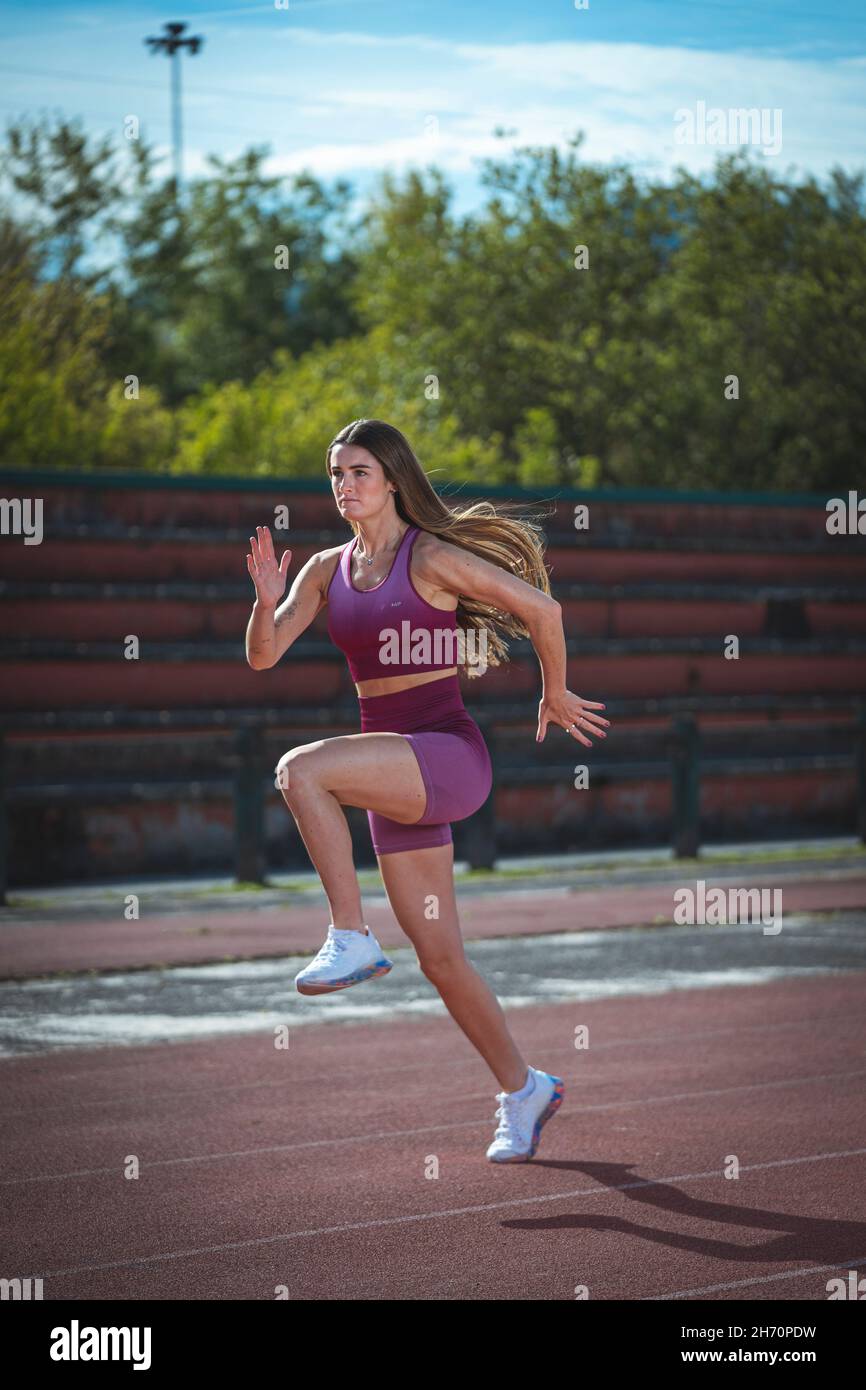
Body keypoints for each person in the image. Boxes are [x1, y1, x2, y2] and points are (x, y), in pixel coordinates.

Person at [245, 419, 609, 1162]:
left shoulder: (432, 556)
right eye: (336, 474)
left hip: (444, 754)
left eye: (359, 474)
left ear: (392, 479)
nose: (345, 486)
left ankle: (349, 935)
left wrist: (555, 692)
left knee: (300, 769)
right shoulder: (324, 568)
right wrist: (266, 596)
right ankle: (524, 1089)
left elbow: (544, 611)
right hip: (394, 774)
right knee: (440, 958)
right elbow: (262, 657)